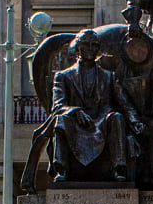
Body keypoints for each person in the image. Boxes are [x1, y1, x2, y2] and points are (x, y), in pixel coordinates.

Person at [49, 29, 142, 182]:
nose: (90, 48)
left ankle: (119, 168)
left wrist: (135, 120)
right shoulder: (63, 76)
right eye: (86, 44)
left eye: (94, 45)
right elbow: (57, 105)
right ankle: (61, 169)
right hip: (76, 123)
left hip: (101, 122)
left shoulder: (109, 76)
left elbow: (125, 103)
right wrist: (75, 111)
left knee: (117, 117)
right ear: (78, 48)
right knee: (61, 120)